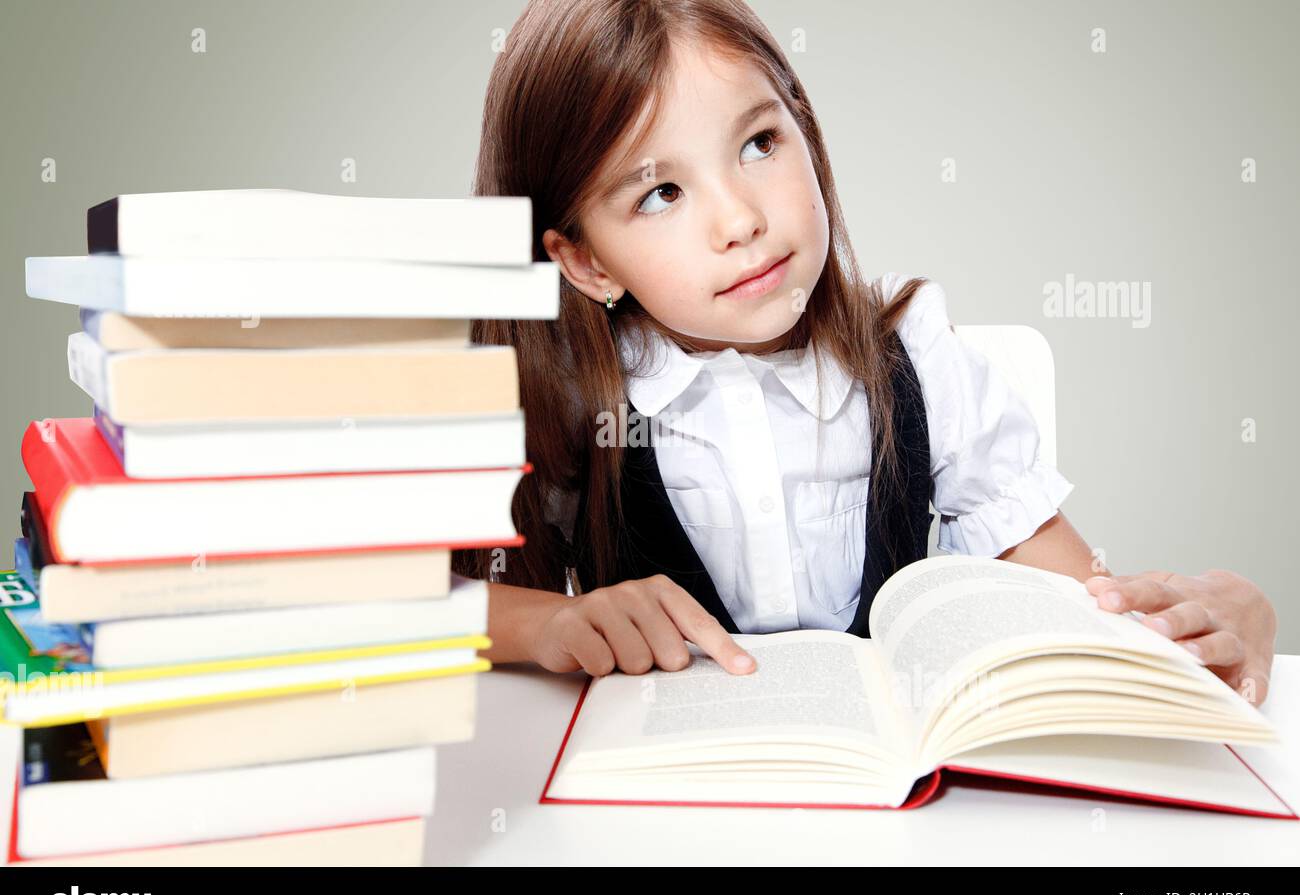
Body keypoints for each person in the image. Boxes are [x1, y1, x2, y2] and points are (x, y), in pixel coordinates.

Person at [453, 0, 1276, 706]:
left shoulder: (916, 353)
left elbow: (1083, 599)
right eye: (661, 193)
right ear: (588, 262)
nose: (740, 219)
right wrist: (552, 622)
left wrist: (1205, 626)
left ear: (804, 130)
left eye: (759, 143)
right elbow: (433, 607)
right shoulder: (571, 396)